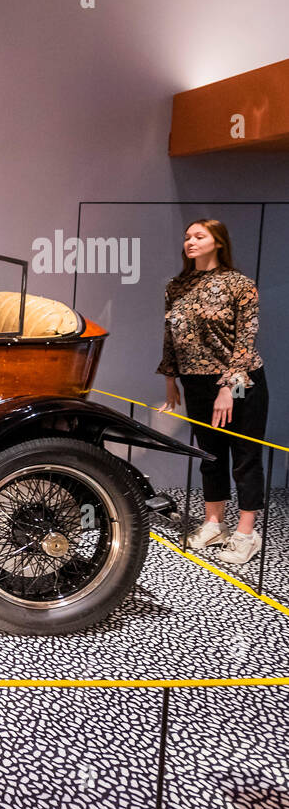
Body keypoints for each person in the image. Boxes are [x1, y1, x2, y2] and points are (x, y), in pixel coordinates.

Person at [157, 218, 267, 566]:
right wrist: (170, 378)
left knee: (245, 456)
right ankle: (213, 523)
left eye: (199, 236)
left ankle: (247, 533)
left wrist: (227, 388)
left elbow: (245, 342)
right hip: (195, 382)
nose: (190, 241)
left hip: (239, 381)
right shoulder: (176, 286)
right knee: (210, 455)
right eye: (187, 236)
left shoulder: (240, 284)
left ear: (217, 242)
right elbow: (170, 335)